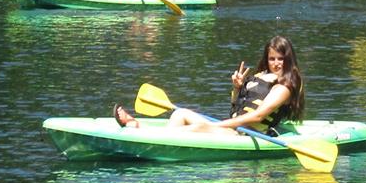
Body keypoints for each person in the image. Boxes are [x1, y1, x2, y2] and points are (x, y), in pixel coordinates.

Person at [114, 35, 305, 133]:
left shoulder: (283, 87)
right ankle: (150, 134)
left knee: (200, 129)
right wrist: (237, 88)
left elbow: (258, 116)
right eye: (272, 58)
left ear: (288, 59)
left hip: (247, 135)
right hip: (233, 127)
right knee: (180, 113)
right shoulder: (262, 75)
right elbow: (235, 107)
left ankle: (141, 129)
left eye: (280, 58)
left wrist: (223, 125)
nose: (276, 63)